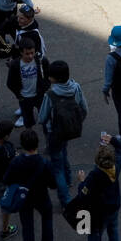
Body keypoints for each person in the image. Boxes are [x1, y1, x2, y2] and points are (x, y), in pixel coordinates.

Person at [67, 135, 121, 241]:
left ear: (98, 161)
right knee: (113, 231)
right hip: (114, 205)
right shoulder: (116, 166)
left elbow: (83, 194)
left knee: (93, 238)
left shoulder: (95, 175)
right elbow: (120, 149)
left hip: (100, 212)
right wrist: (112, 139)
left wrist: (81, 181)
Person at [38, 60, 88, 209]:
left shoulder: (50, 94)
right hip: (70, 130)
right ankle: (68, 179)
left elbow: (42, 117)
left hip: (55, 133)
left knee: (57, 165)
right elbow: (84, 108)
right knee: (63, 152)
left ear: (54, 78)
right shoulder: (76, 88)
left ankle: (65, 200)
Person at [4, 129, 57, 241]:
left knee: (27, 224)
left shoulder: (16, 162)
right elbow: (53, 184)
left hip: (24, 197)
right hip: (41, 196)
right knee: (47, 220)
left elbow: (7, 180)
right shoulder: (45, 163)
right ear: (37, 144)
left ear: (22, 145)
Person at [7, 36, 50, 131]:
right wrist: (18, 95)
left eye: (32, 53)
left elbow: (49, 76)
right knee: (28, 121)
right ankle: (29, 139)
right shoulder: (15, 64)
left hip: (40, 96)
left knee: (45, 118)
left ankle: (47, 135)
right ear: (21, 52)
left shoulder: (41, 60)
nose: (30, 56)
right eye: (27, 54)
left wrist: (45, 88)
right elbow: (10, 83)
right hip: (25, 98)